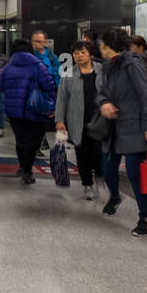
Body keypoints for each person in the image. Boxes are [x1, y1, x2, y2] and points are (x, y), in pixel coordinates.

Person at [97, 28, 147, 237]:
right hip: (113, 128)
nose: (100, 47)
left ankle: (145, 217)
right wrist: (105, 103)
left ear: (111, 46)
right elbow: (101, 94)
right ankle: (115, 196)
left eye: (103, 44)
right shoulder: (108, 67)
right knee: (107, 169)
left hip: (134, 127)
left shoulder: (134, 64)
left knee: (135, 174)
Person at [0, 39, 56, 184]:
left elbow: (0, 86)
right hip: (34, 109)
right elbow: (49, 86)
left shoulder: (7, 66)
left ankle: (22, 167)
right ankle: (27, 172)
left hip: (13, 110)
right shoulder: (37, 65)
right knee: (32, 142)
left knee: (21, 140)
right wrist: (53, 106)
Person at [55, 39, 104, 201]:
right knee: (82, 154)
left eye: (83, 52)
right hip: (77, 121)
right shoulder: (69, 73)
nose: (79, 56)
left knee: (99, 153)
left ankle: (100, 177)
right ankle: (87, 184)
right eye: (76, 53)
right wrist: (59, 119)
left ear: (90, 54)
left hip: (99, 121)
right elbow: (61, 98)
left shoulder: (102, 71)